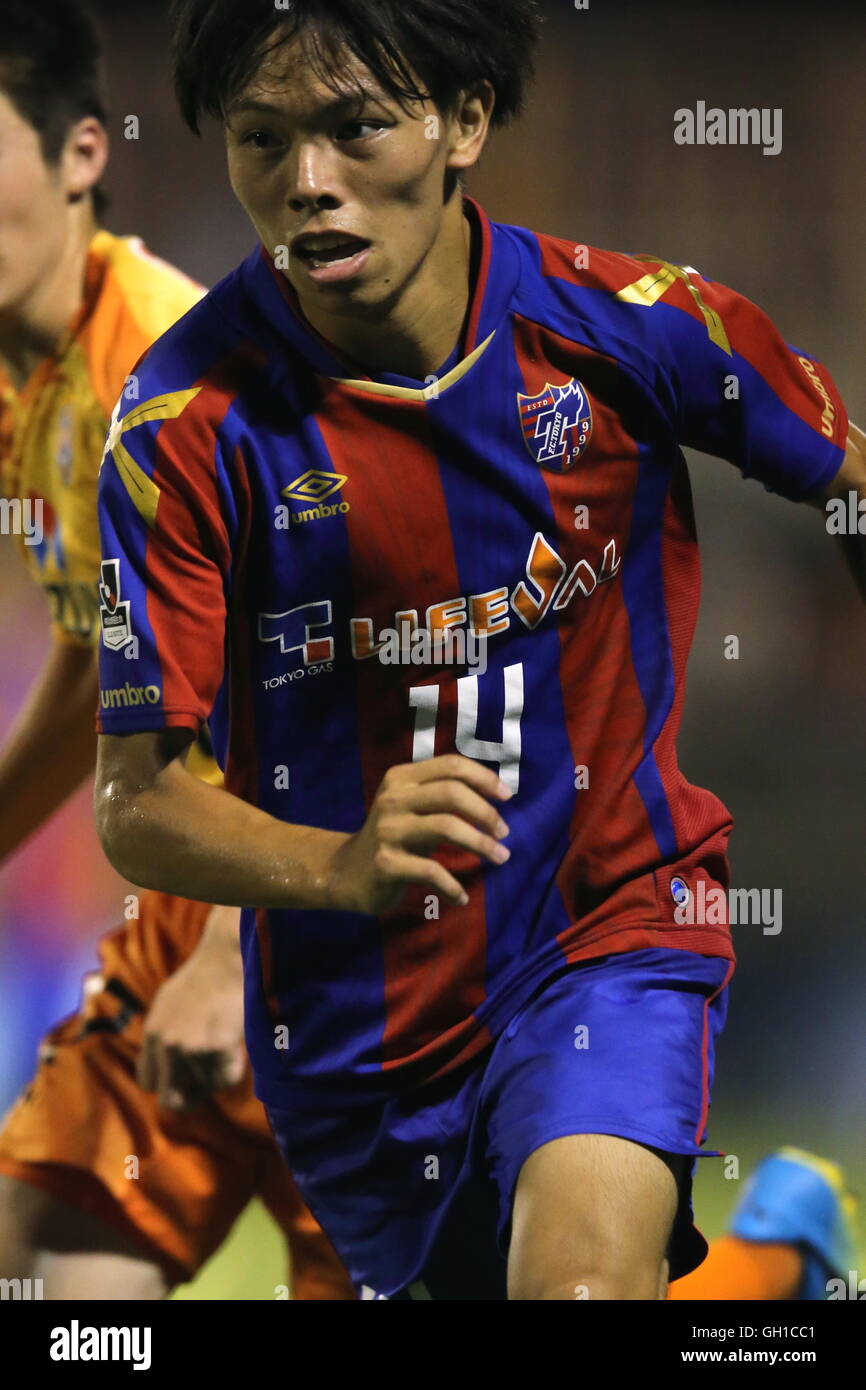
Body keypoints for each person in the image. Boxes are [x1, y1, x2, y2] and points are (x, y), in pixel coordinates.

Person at [92, 0, 864, 1300]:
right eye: (262, 138)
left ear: (463, 121)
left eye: (354, 128)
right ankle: (770, 1272)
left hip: (606, 926)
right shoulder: (182, 427)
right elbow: (138, 797)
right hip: (356, 1026)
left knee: (572, 1282)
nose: (307, 184)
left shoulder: (635, 327)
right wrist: (338, 864)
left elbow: (845, 479)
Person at [0, 0, 351, 1300]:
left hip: (311, 905)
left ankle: (763, 1270)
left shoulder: (167, 367)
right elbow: (101, 665)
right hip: (190, 909)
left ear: (81, 155)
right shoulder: (28, 386)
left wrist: (230, 955)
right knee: (51, 1286)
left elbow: (312, 664)